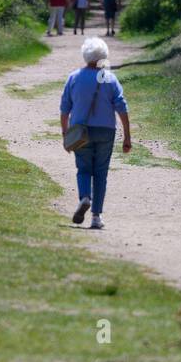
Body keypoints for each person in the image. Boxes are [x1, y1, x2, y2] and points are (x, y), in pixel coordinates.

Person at [60, 37, 131, 229]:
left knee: (83, 169)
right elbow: (122, 108)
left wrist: (65, 134)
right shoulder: (110, 78)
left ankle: (84, 197)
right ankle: (96, 217)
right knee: (101, 173)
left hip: (81, 132)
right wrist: (127, 136)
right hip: (105, 131)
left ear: (86, 55)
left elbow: (65, 108)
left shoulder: (74, 77)